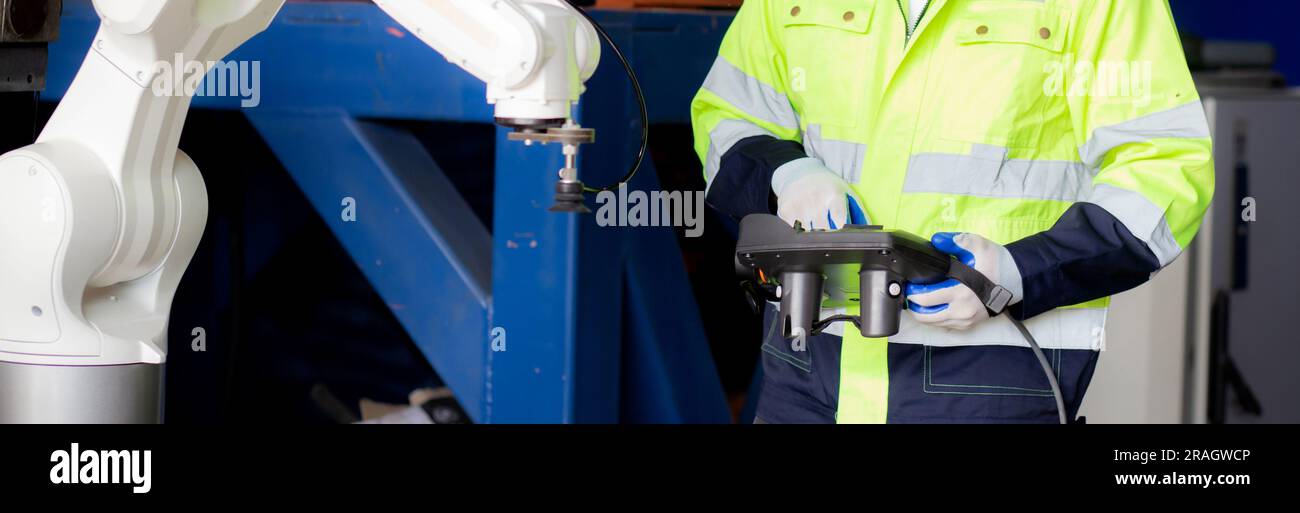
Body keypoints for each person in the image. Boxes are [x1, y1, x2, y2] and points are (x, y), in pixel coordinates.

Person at [691, 0, 1213, 423]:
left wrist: (1019, 270)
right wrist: (786, 171)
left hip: (989, 386)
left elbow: (1165, 171)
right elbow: (727, 114)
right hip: (806, 382)